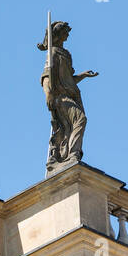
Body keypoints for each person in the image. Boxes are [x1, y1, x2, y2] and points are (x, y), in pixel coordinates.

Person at [38, 21, 97, 172]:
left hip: (72, 95)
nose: (68, 34)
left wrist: (83, 75)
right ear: (58, 34)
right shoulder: (52, 53)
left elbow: (69, 80)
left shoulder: (66, 54)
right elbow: (46, 77)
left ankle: (65, 155)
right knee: (80, 119)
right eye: (65, 32)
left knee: (67, 128)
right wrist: (49, 95)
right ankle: (72, 154)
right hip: (60, 97)